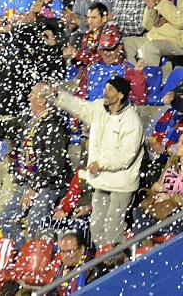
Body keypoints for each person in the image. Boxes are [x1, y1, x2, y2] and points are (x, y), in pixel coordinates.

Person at [55, 76, 142, 249]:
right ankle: (102, 261)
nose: (105, 92)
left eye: (110, 89)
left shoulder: (132, 121)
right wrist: (59, 96)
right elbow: (79, 107)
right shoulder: (99, 109)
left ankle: (116, 262)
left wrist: (101, 163)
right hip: (101, 180)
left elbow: (126, 155)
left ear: (120, 95)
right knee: (96, 225)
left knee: (113, 228)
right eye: (106, 88)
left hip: (121, 183)